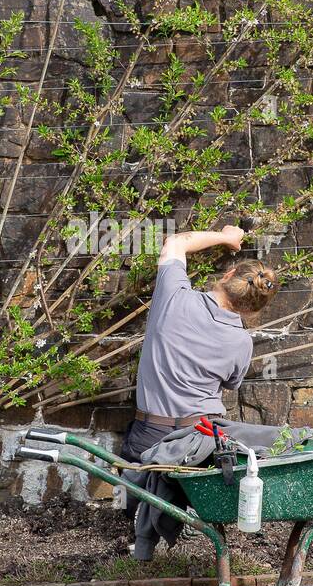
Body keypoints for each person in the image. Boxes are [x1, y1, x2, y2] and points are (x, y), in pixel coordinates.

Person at [119, 225, 279, 559]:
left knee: (136, 463)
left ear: (229, 273)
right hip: (204, 437)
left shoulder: (174, 298)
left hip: (151, 433)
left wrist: (225, 236)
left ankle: (138, 528)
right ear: (253, 308)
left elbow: (176, 242)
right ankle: (154, 525)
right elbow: (230, 384)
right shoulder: (241, 341)